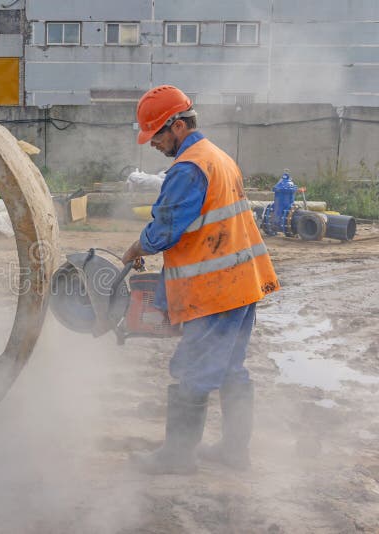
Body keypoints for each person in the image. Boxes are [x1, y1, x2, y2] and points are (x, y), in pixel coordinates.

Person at [121, 85, 280, 475]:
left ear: (177, 125)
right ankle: (233, 451)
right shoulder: (217, 157)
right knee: (230, 368)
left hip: (217, 290)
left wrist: (134, 249)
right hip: (243, 283)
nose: (154, 144)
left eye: (156, 135)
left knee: (192, 369)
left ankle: (177, 457)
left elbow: (168, 227)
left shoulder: (189, 167)